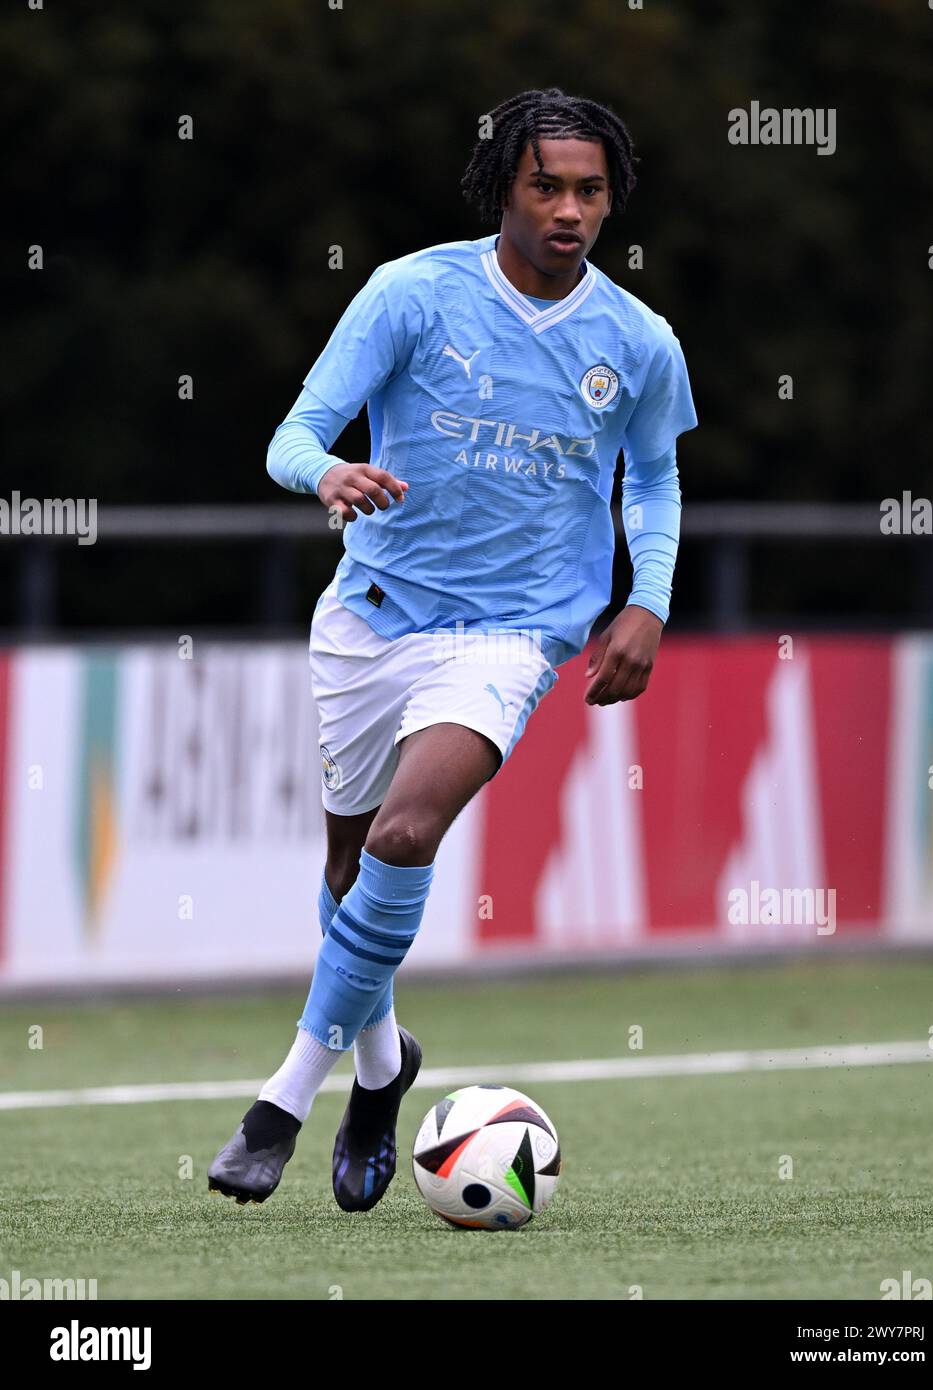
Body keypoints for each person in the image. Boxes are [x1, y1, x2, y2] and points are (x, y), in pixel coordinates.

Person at [208, 86, 697, 1213]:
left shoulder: (638, 341)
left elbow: (656, 475)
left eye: (591, 190)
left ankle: (281, 1102)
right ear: (504, 188)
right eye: (548, 186)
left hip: (514, 632)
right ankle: (383, 1073)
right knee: (346, 875)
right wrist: (325, 472)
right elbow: (292, 434)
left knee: (405, 829)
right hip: (374, 613)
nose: (571, 209)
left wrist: (649, 600)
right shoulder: (412, 294)